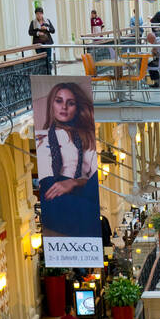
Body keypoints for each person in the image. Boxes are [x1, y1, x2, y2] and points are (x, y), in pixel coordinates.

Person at [35, 81, 99, 235]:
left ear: (77, 108)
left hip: (82, 191)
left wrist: (74, 182)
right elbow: (46, 183)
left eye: (70, 103)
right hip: (54, 194)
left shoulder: (88, 137)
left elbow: (93, 177)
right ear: (52, 104)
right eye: (59, 101)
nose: (64, 107)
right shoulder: (41, 137)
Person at [28, 6, 55, 71]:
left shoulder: (47, 21)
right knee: (40, 60)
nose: (39, 15)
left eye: (40, 13)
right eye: (37, 14)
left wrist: (46, 28)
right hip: (38, 44)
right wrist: (38, 33)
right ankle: (43, 73)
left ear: (42, 14)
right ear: (35, 14)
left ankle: (49, 73)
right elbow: (30, 32)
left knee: (48, 58)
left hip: (47, 43)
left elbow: (53, 30)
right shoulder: (33, 22)